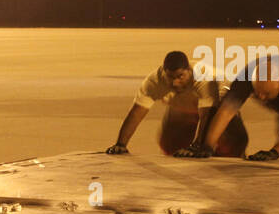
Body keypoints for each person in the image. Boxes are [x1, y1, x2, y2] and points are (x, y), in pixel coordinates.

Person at [178, 53, 279, 161]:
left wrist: (274, 152)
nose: (262, 98)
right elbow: (225, 112)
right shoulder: (246, 77)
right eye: (257, 93)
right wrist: (208, 146)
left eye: (266, 94)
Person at [104, 50, 247, 156]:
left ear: (189, 71)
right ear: (164, 72)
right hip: (184, 108)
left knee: (230, 148)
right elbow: (136, 113)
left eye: (180, 76)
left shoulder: (204, 76)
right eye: (170, 77)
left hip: (217, 108)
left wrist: (196, 146)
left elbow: (206, 115)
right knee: (169, 145)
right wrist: (121, 144)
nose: (175, 82)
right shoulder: (154, 81)